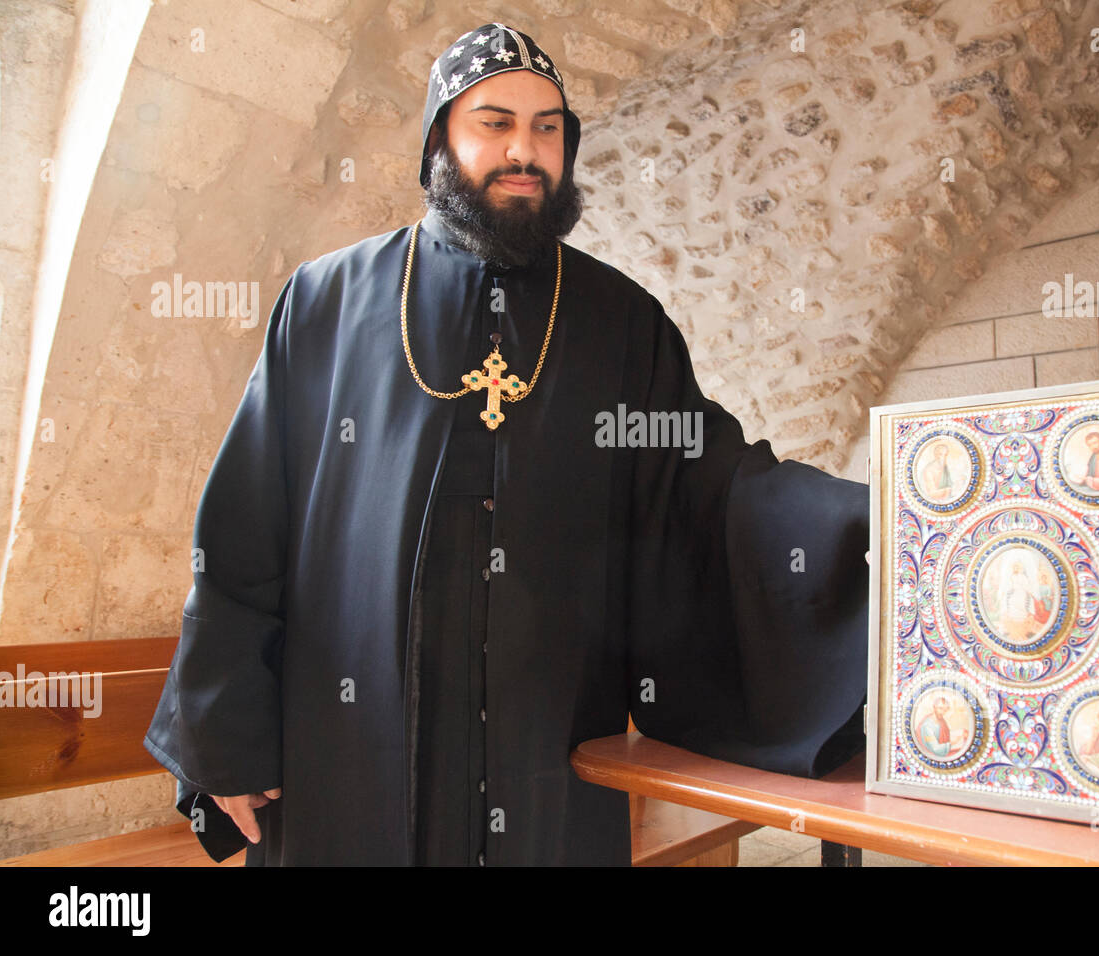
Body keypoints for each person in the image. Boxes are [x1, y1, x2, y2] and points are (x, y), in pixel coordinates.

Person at [144, 23, 870, 866]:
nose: (525, 149)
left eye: (548, 127)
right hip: (350, 745)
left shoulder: (621, 322)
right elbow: (242, 531)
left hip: (544, 751)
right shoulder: (328, 304)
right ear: (439, 141)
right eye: (494, 123)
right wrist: (224, 731)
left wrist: (872, 523)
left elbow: (710, 490)